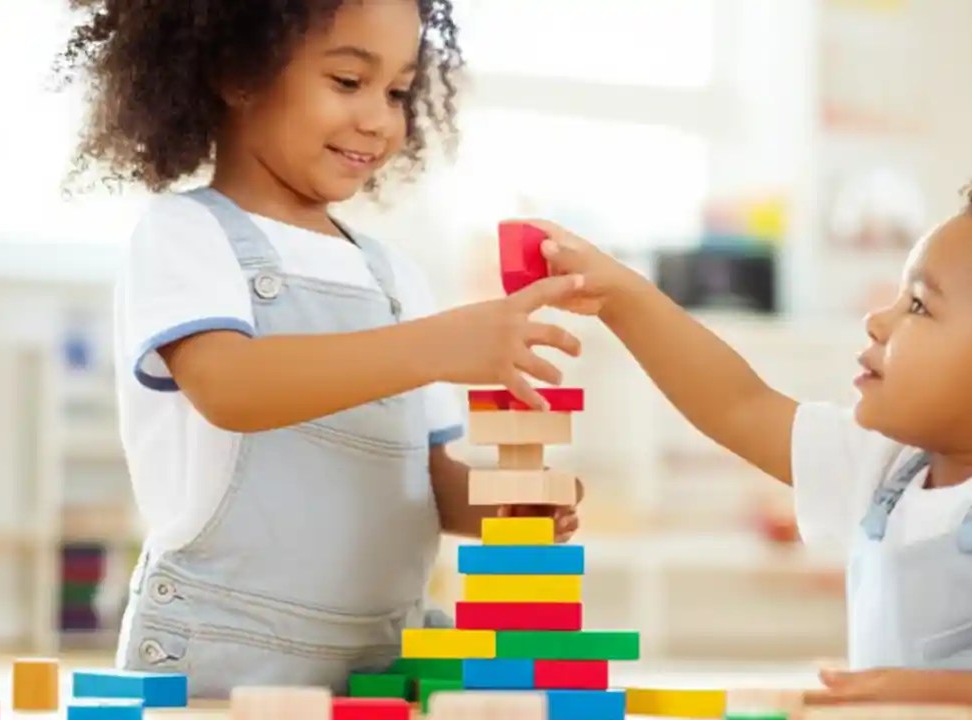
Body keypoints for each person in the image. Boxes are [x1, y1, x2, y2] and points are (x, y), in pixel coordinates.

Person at [57, 0, 584, 696]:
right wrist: (432, 345)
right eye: (347, 82)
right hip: (221, 653)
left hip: (379, 663)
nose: (378, 119)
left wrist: (506, 506)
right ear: (237, 72)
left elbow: (422, 483)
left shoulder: (395, 280)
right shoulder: (187, 235)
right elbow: (232, 388)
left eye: (397, 92)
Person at [528, 171, 972, 720]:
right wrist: (623, 297)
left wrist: (910, 695)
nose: (878, 319)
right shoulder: (890, 467)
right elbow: (738, 405)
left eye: (919, 306)